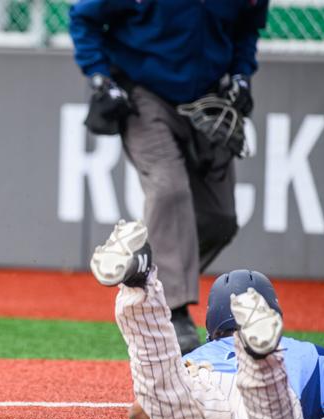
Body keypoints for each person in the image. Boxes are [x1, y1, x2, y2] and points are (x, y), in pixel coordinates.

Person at [69, 1, 270, 354]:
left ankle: (145, 280)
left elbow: (247, 29)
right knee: (168, 189)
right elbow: (84, 17)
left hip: (210, 96)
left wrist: (241, 74)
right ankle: (172, 312)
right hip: (145, 92)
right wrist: (100, 76)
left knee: (219, 219)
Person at [90, 219, 324, 419]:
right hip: (263, 410)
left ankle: (139, 285)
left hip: (204, 396)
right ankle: (260, 358)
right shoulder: (310, 354)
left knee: (163, 381)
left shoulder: (197, 355)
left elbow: (141, 413)